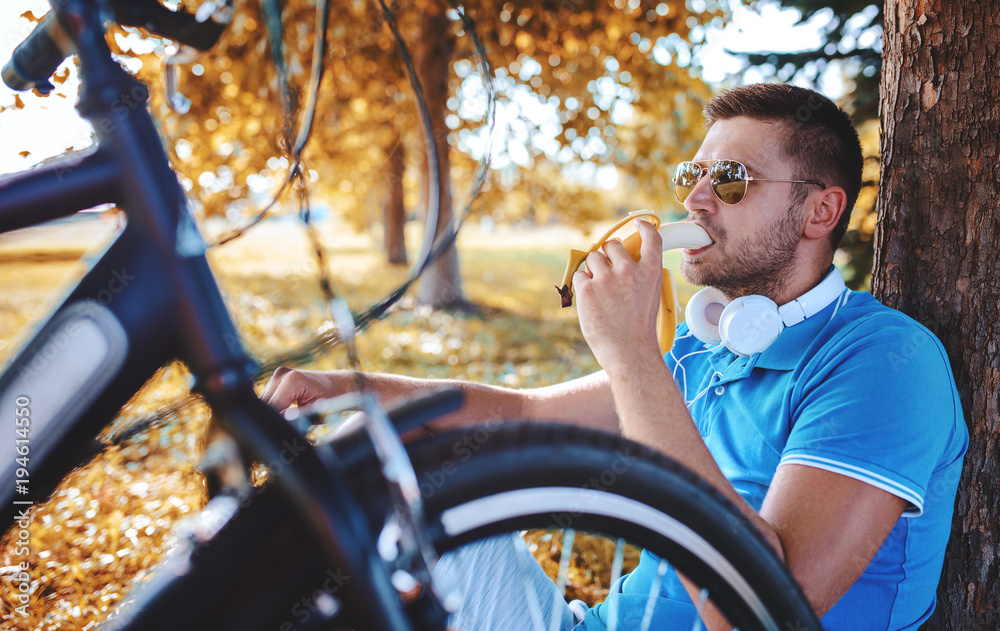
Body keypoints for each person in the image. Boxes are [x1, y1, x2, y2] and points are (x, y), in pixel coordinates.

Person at [262, 84, 968, 630]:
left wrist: (634, 354)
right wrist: (339, 387)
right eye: (692, 174)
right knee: (371, 478)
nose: (695, 197)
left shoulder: (885, 363)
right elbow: (519, 412)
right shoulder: (705, 346)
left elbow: (763, 610)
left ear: (820, 212)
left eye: (729, 178)